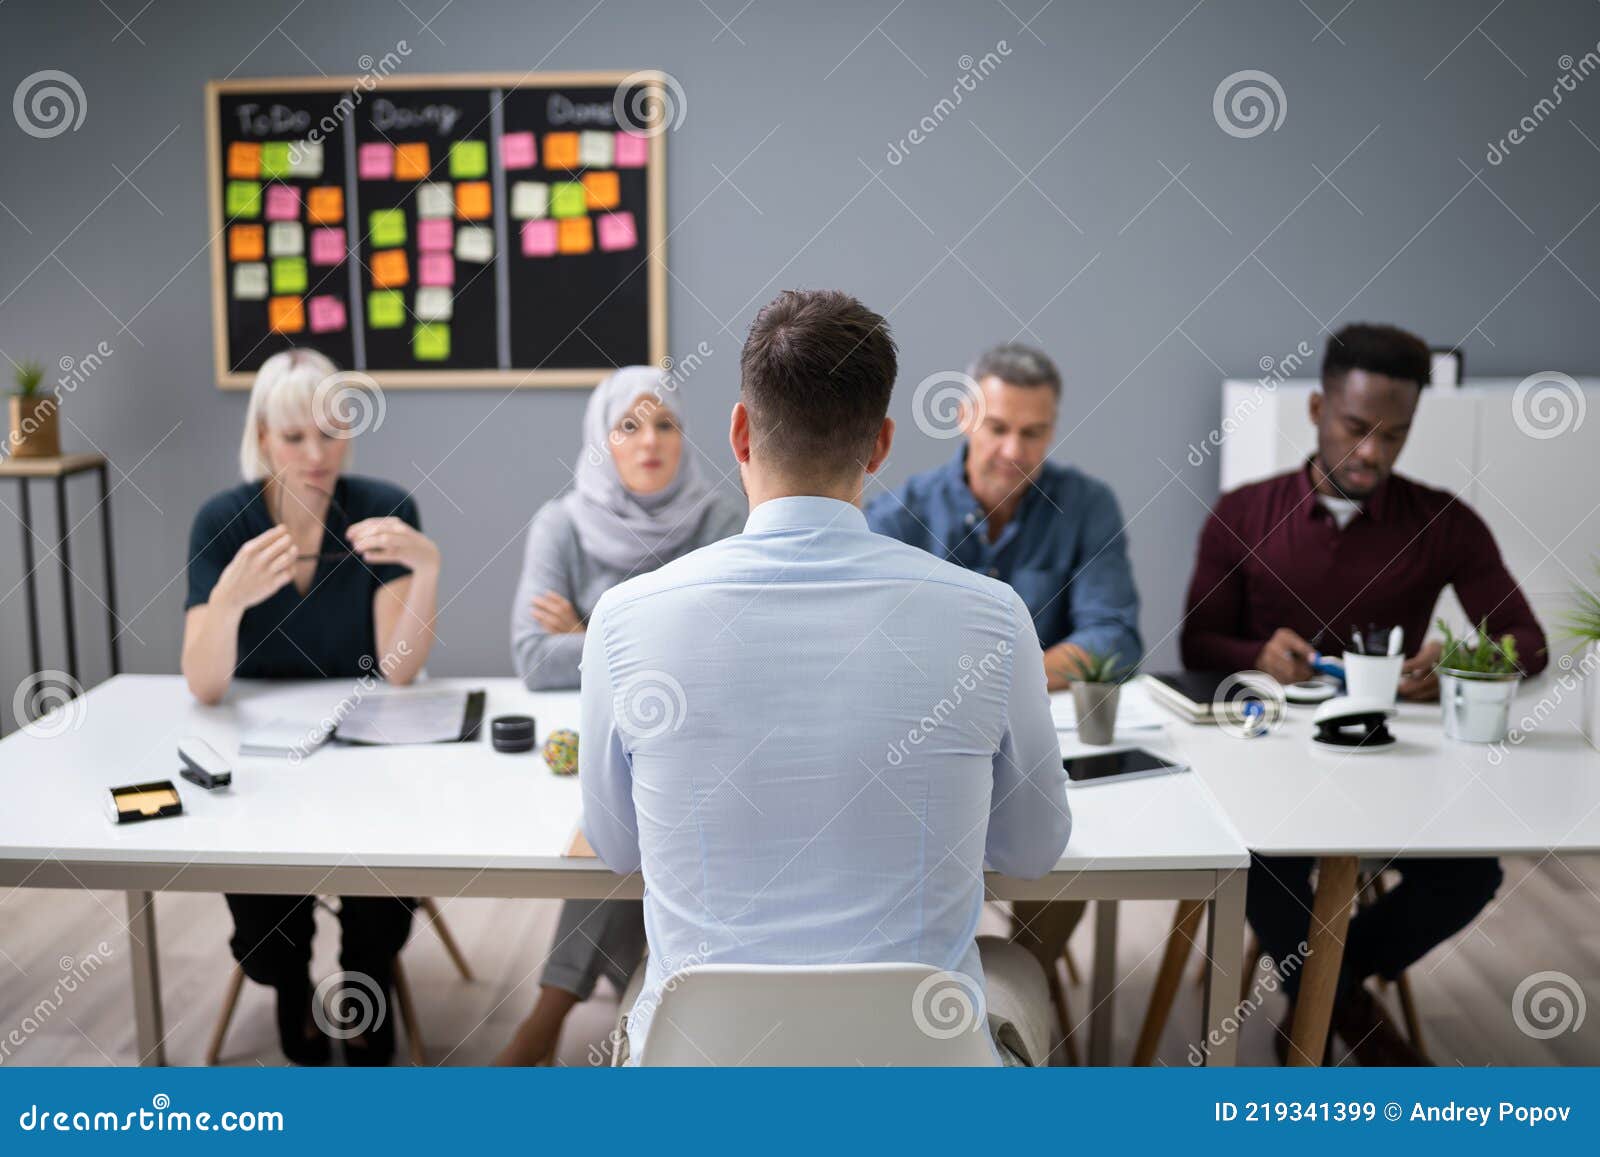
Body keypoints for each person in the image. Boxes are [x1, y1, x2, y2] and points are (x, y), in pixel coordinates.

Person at [581, 290, 1071, 1066]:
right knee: (1014, 966)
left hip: (703, 1080)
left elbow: (614, 846)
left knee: (657, 983)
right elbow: (1033, 850)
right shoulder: (994, 618)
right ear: (880, 445)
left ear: (740, 431)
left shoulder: (624, 620)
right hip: (924, 1085)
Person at [1180, 322, 1547, 1065]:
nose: (1373, 453)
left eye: (1396, 435)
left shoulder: (1443, 521)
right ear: (1316, 409)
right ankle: (1350, 1016)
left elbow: (1528, 643)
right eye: (1356, 428)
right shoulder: (1243, 513)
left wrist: (1456, 660)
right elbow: (1195, 644)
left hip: (1391, 771)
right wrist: (1255, 653)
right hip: (1268, 771)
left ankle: (1326, 998)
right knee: (1255, 859)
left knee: (1471, 876)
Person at [182, 349, 440, 1066]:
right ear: (262, 437)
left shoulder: (385, 508)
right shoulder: (222, 521)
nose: (316, 453)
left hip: (365, 748)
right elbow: (204, 685)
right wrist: (228, 599)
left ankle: (366, 979)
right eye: (294, 437)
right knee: (265, 898)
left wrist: (426, 569)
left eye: (331, 432)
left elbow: (399, 670)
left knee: (382, 876)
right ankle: (288, 983)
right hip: (262, 761)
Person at [866, 342, 1142, 979]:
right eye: (998, 428)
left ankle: (1018, 984)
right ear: (965, 417)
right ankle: (929, 984)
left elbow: (1115, 635)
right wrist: (1014, 673)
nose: (1014, 451)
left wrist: (998, 675)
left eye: (1033, 432)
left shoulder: (1087, 506)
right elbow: (872, 645)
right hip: (926, 747)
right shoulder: (898, 511)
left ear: (1053, 428)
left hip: (1047, 747)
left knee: (1070, 859)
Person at [496, 366, 744, 1066]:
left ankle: (550, 1019)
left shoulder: (719, 518)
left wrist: (590, 628)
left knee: (628, 822)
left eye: (665, 423)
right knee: (620, 819)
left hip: (693, 742)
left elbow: (720, 646)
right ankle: (650, 1012)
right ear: (601, 439)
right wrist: (650, 638)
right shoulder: (563, 522)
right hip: (588, 739)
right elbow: (531, 655)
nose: (650, 440)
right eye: (629, 425)